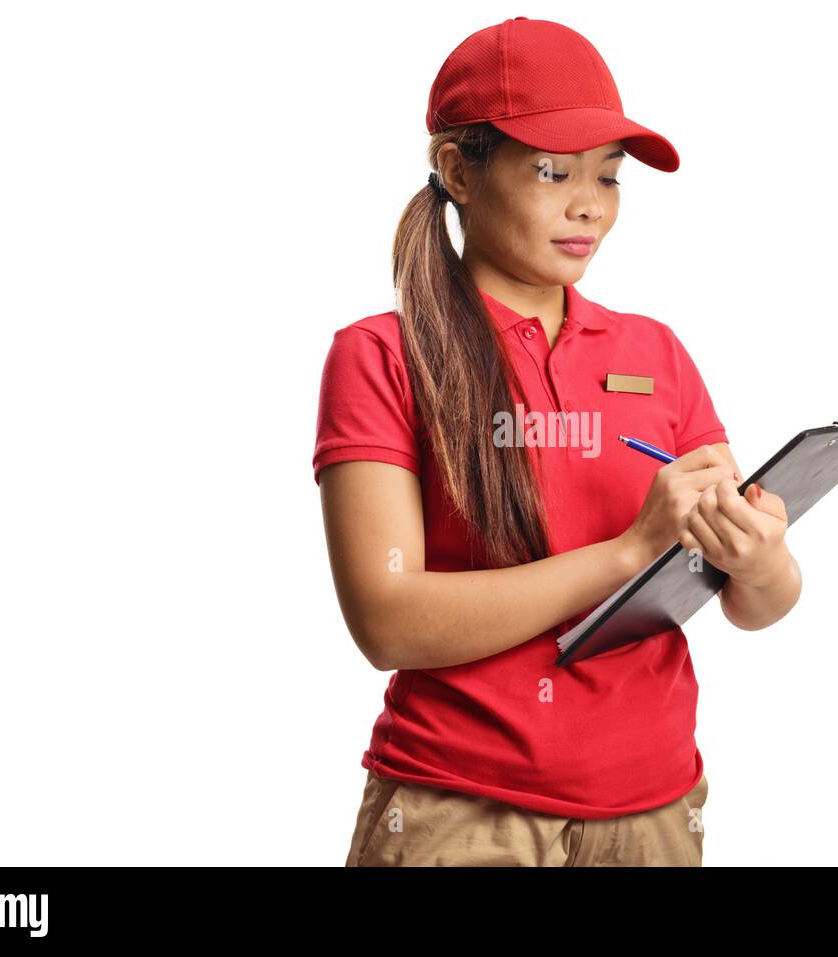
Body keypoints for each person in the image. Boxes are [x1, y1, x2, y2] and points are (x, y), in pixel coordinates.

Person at [314, 17, 802, 866]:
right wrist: (626, 554)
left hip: (657, 807)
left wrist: (759, 560)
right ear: (458, 171)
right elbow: (386, 620)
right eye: (553, 171)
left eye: (608, 178)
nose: (590, 204)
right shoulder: (382, 356)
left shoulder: (655, 352)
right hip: (461, 811)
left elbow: (756, 603)